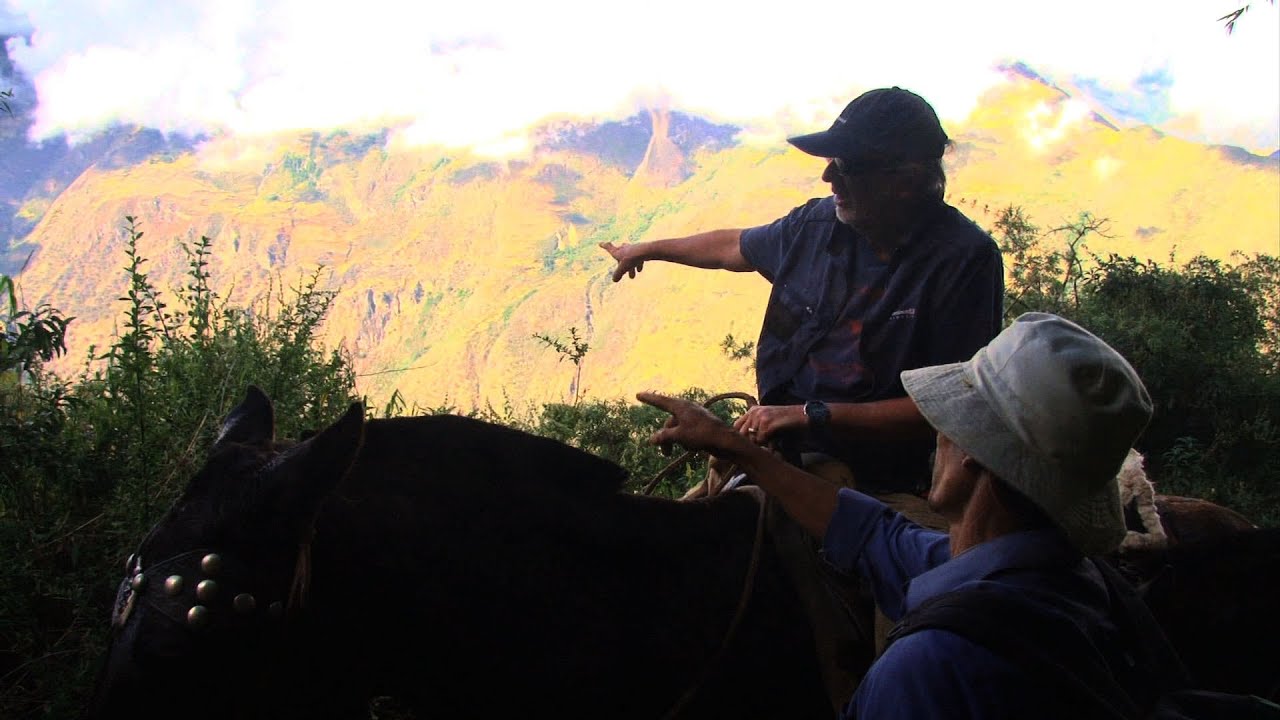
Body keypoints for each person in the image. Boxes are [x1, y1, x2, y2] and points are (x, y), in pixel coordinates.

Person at [637, 312, 1161, 718]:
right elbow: (878, 536)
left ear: (976, 452)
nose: (940, 433)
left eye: (953, 421)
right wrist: (743, 453)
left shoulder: (926, 669)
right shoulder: (1074, 583)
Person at [601, 87, 1003, 494]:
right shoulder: (816, 225)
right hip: (774, 450)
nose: (829, 177)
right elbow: (733, 248)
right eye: (831, 162)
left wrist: (811, 415)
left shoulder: (963, 261)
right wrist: (647, 250)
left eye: (846, 166)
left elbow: (951, 404)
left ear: (905, 180)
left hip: (879, 483)